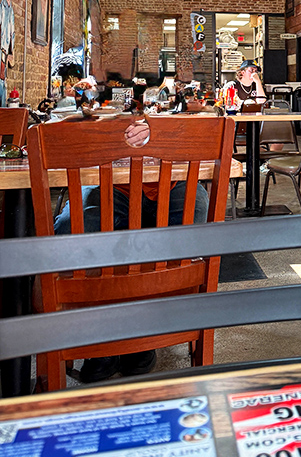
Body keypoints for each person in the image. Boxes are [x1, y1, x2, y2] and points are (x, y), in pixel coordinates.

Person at [53, 117, 210, 383]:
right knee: (73, 232)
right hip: (109, 185)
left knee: (187, 237)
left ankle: (146, 334)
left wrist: (160, 131)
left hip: (174, 181)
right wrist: (103, 132)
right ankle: (100, 339)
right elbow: (53, 137)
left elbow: (210, 138)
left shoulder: (171, 119)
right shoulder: (98, 119)